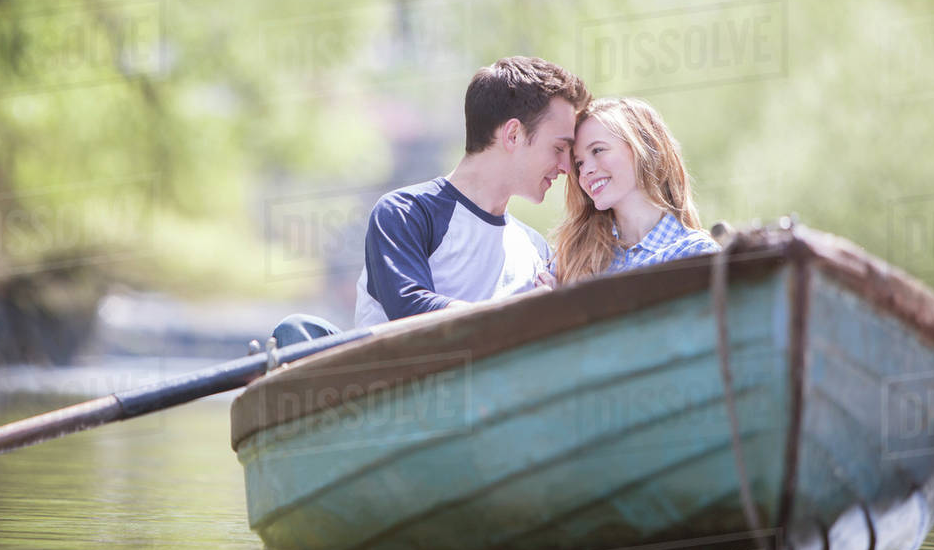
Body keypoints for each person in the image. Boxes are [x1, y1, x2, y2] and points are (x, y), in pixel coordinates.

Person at [271, 56, 590, 346]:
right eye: (559, 148)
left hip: (493, 391)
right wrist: (516, 314)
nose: (566, 167)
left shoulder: (536, 249)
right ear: (512, 135)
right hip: (400, 391)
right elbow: (411, 311)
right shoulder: (406, 214)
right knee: (296, 329)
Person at [552, 97, 719, 285]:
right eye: (579, 163)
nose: (585, 170)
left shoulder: (695, 254)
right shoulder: (572, 258)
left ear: (643, 150)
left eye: (598, 150)